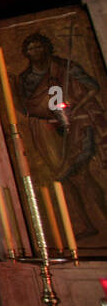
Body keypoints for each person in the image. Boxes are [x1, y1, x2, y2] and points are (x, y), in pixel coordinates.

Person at [14, 31, 107, 236]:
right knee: (62, 177)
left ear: (47, 47)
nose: (35, 51)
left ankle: (101, 218)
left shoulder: (65, 67)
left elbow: (92, 87)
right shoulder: (26, 78)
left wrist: (75, 106)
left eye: (38, 46)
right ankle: (82, 223)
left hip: (74, 124)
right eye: (31, 48)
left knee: (81, 173)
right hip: (44, 128)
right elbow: (24, 104)